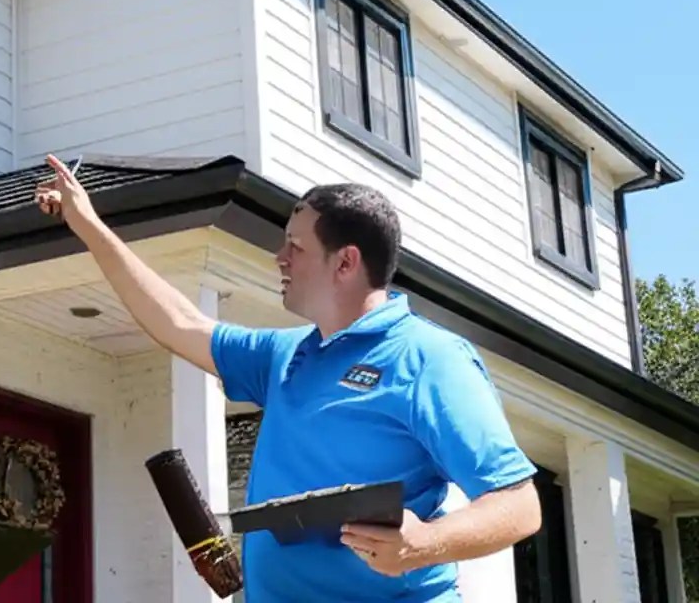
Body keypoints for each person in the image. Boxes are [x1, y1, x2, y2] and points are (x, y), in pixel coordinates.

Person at [34, 154, 542, 602]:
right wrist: (87, 224)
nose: (279, 258)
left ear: (345, 262)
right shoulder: (285, 355)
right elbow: (180, 323)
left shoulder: (431, 359)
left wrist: (423, 545)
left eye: (295, 247)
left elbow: (519, 506)